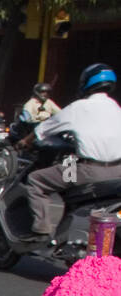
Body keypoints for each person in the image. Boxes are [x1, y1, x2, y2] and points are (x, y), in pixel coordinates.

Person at [19, 63, 121, 241]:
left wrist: (23, 142)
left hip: (89, 171)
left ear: (86, 83)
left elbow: (42, 130)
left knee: (36, 180)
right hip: (117, 172)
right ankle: (65, 229)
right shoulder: (116, 108)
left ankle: (41, 229)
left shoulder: (78, 108)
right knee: (69, 170)